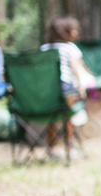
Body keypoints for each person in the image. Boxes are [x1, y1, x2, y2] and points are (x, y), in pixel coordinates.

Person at [41, 16, 96, 158]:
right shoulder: (70, 48)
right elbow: (75, 69)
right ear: (65, 32)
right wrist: (81, 88)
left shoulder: (44, 48)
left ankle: (50, 149)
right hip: (65, 89)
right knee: (68, 117)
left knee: (51, 119)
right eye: (74, 30)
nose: (77, 33)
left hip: (46, 91)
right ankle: (69, 148)